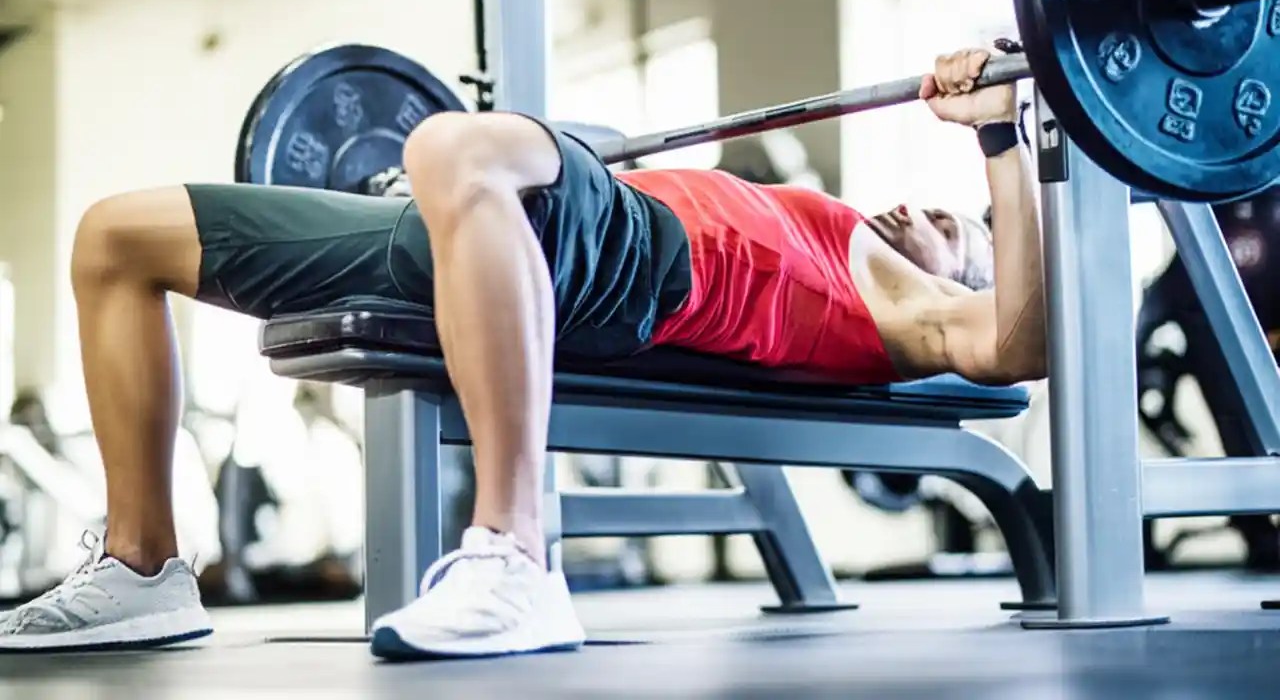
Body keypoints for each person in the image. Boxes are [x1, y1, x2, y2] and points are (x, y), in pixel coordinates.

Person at [0, 47, 1043, 657]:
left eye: (954, 226)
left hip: (640, 261)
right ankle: (143, 568)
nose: (922, 212)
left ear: (968, 270)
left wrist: (1000, 136)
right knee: (114, 235)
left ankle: (515, 555)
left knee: (454, 142)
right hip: (476, 229)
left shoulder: (914, 317)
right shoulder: (841, 218)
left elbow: (1019, 341)